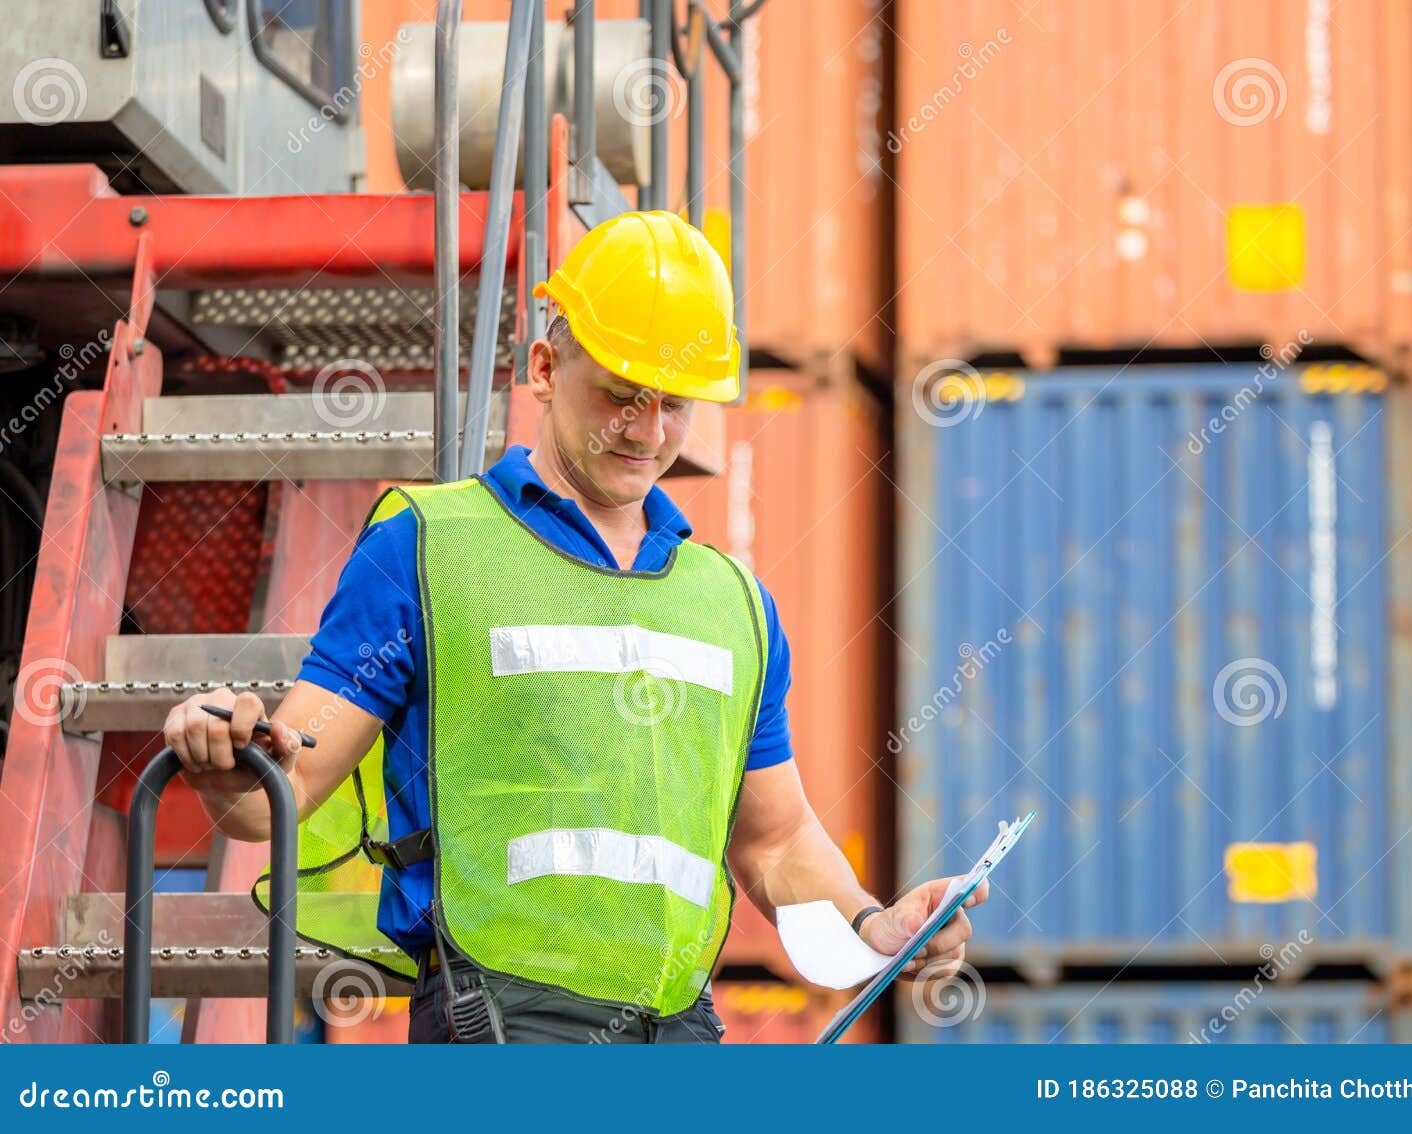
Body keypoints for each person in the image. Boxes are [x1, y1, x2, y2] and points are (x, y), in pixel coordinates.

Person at [163, 210, 986, 1044]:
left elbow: (775, 843)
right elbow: (287, 784)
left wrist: (872, 925)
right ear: (546, 368)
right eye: (621, 396)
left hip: (681, 1031)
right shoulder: (425, 545)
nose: (647, 430)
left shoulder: (735, 604)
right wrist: (225, 758)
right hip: (497, 1025)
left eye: (673, 404)